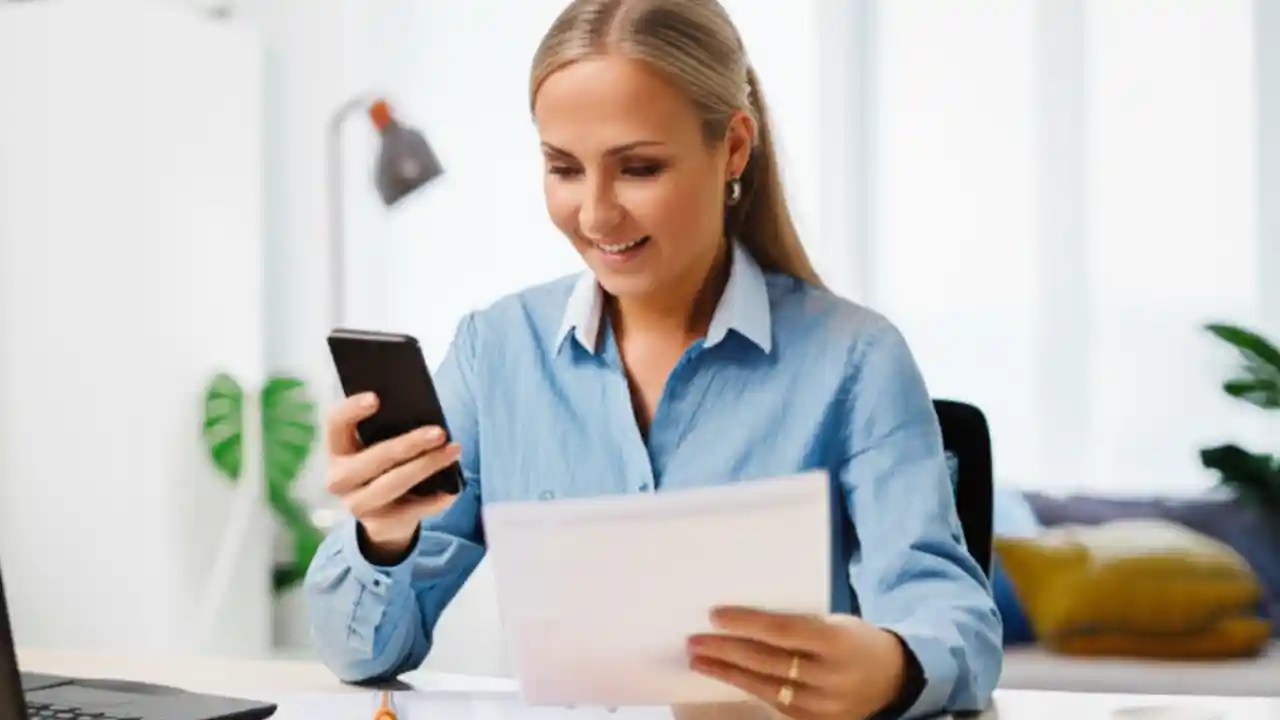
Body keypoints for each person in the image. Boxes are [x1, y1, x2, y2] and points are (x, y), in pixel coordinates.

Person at [304, 0, 1002, 717]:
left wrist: (891, 668)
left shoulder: (855, 360)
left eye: (638, 169)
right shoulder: (497, 353)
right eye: (564, 168)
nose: (597, 214)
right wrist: (382, 536)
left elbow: (956, 627)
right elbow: (362, 654)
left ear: (733, 147)